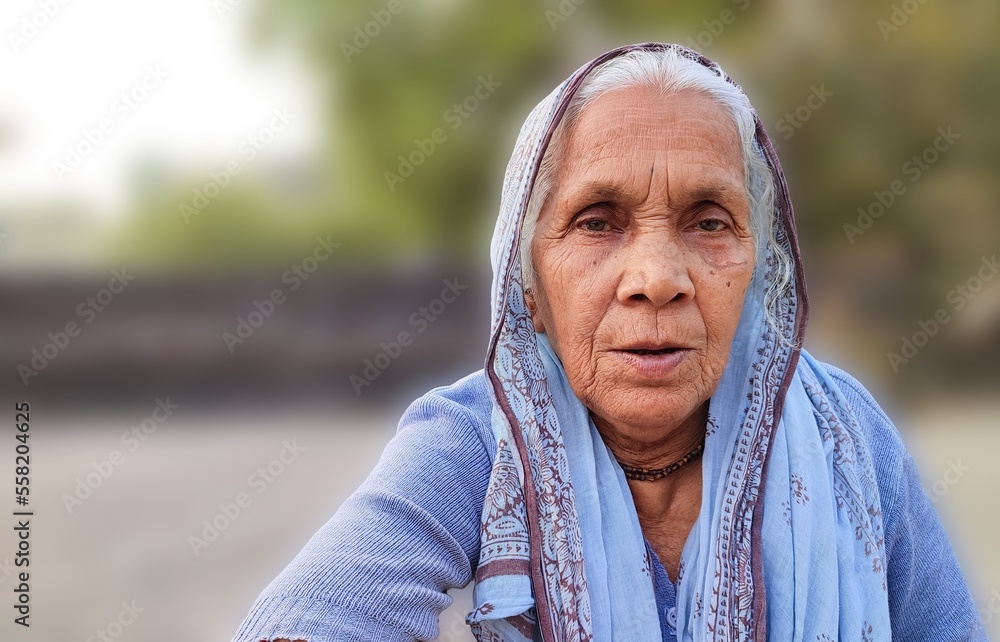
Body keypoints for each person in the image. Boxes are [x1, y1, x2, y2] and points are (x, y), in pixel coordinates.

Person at [232, 43, 987, 642]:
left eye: (709, 221)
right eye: (597, 221)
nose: (658, 279)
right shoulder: (480, 438)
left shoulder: (844, 433)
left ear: (757, 267)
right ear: (527, 285)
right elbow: (317, 618)